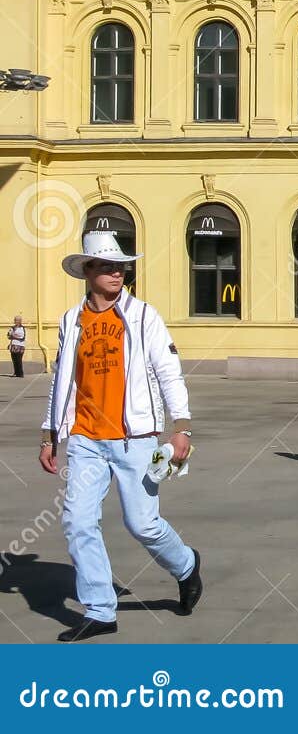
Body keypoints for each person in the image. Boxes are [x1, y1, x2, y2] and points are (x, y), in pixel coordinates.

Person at [41, 229, 201, 642]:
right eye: (107, 266)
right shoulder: (71, 321)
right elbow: (63, 381)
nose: (117, 273)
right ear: (87, 272)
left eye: (121, 266)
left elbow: (169, 372)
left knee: (143, 524)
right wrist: (49, 433)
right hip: (85, 439)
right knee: (77, 522)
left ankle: (185, 565)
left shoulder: (144, 316)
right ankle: (99, 610)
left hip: (136, 438)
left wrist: (181, 427)